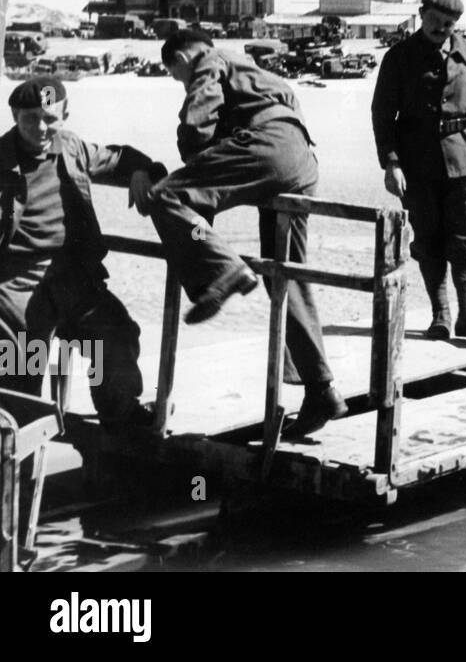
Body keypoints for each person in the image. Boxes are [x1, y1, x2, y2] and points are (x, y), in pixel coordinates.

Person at [147, 29, 345, 438]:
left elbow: (199, 113)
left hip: (267, 149)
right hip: (300, 160)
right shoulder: (254, 70)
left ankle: (221, 272)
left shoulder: (208, 59)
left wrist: (192, 158)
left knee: (166, 195)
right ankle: (320, 389)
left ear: (182, 57)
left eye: (175, 75)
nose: (180, 82)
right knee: (284, 274)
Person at [0, 75, 159, 425]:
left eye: (50, 118)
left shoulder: (71, 147)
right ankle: (16, 441)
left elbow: (117, 158)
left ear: (65, 114)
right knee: (23, 362)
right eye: (30, 119)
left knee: (114, 333)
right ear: (14, 116)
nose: (41, 128)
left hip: (71, 276)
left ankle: (119, 411)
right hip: (16, 281)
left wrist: (141, 170)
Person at [371, 0, 466, 340]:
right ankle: (440, 316)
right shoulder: (399, 58)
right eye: (434, 20)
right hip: (418, 164)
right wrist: (391, 163)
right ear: (421, 14)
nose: (440, 28)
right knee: (428, 238)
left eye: (448, 24)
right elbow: (383, 114)